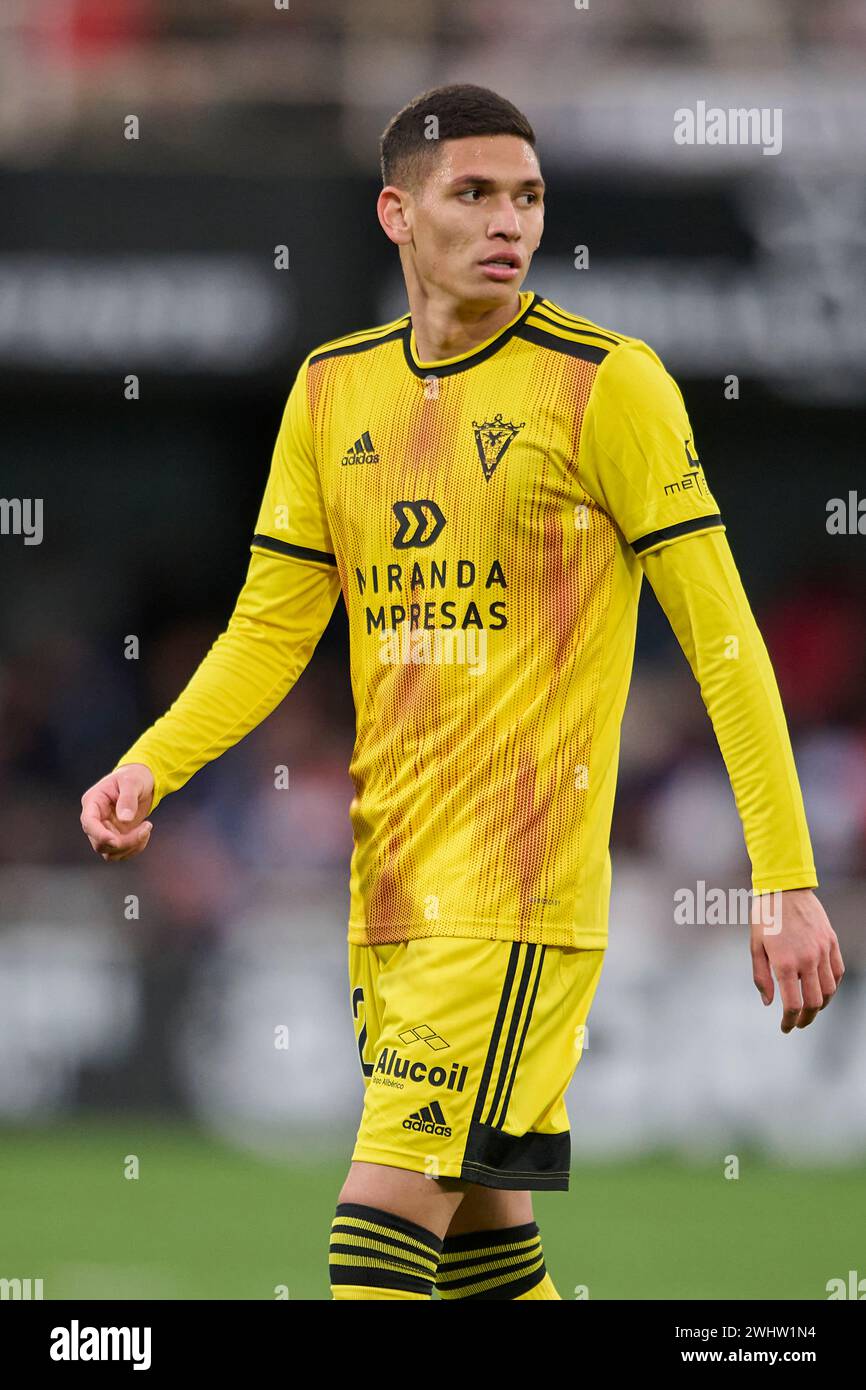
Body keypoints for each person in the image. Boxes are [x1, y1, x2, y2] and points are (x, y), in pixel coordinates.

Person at [80, 84, 844, 1301]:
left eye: (527, 198)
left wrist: (784, 875)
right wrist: (152, 761)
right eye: (473, 194)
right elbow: (271, 634)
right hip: (386, 891)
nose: (509, 223)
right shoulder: (331, 390)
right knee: (487, 1262)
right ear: (396, 212)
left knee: (369, 1248)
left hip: (517, 899)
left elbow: (724, 641)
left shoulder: (608, 383)